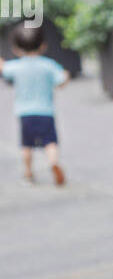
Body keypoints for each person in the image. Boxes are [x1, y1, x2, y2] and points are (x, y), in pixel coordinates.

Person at [1, 22, 68, 185]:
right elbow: (61, 80)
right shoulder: (48, 65)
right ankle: (53, 162)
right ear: (43, 45)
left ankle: (28, 173)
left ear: (15, 48)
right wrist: (65, 76)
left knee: (26, 145)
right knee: (50, 142)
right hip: (46, 112)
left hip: (25, 114)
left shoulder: (16, 67)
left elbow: (3, 69)